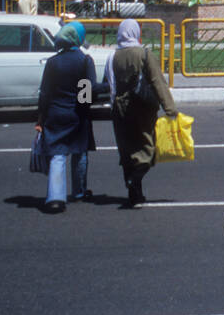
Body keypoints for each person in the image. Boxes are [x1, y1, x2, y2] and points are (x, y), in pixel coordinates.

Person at [105, 20, 178, 207]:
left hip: (120, 109)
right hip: (143, 108)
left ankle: (134, 196)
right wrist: (170, 109)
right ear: (136, 33)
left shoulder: (112, 56)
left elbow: (111, 85)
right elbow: (157, 82)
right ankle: (135, 179)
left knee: (127, 152)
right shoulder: (145, 54)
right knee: (148, 149)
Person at [35, 21, 98, 213]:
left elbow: (45, 93)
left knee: (58, 154)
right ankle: (79, 192)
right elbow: (86, 94)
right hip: (77, 114)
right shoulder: (85, 61)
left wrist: (40, 119)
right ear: (78, 39)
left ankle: (55, 198)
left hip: (55, 114)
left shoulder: (53, 62)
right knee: (79, 152)